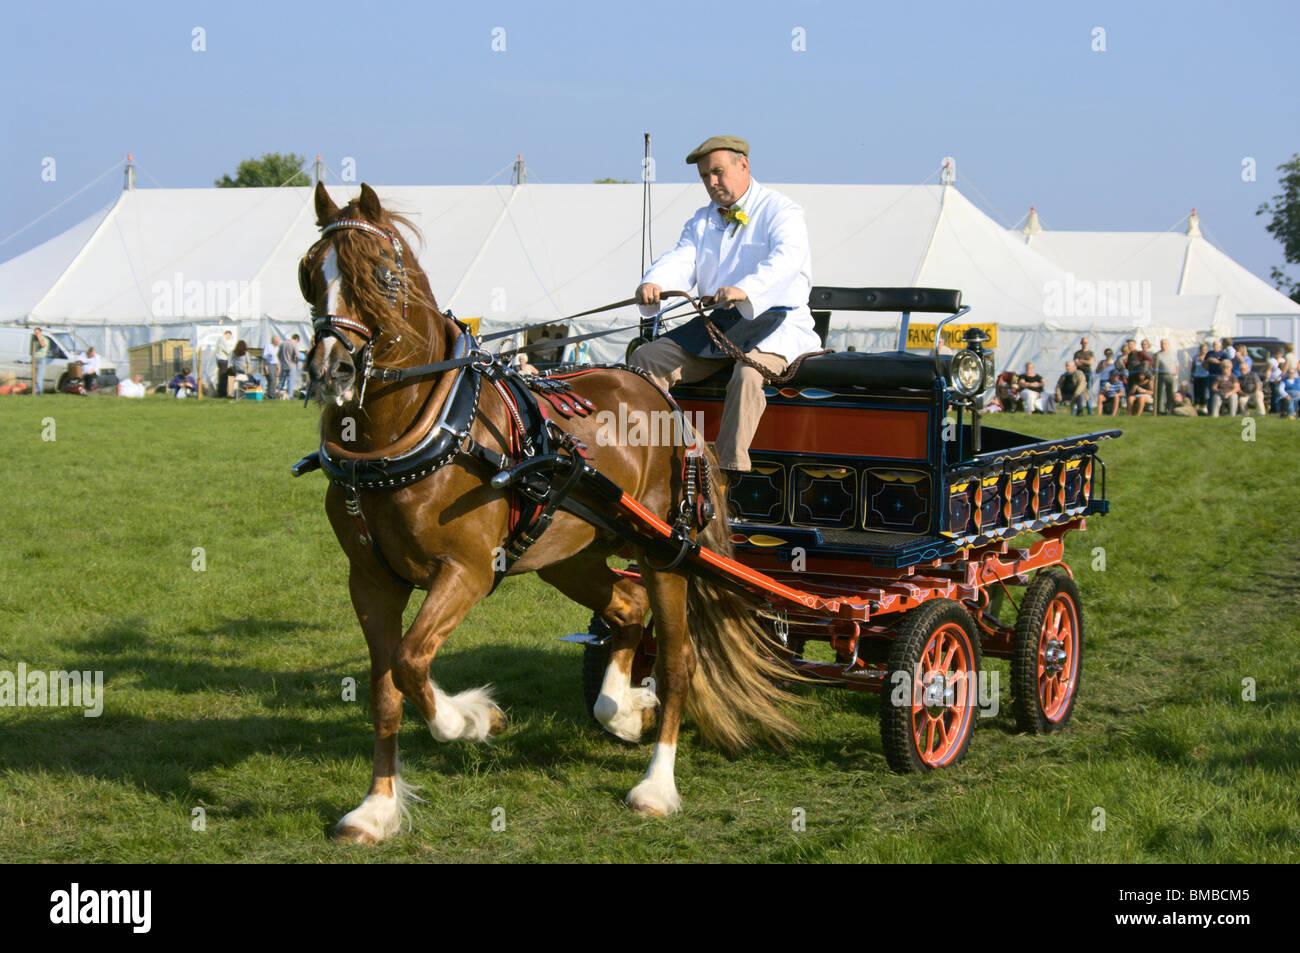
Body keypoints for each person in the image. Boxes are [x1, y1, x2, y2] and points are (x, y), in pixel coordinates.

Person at [627, 135, 820, 476]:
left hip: (777, 325)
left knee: (747, 375)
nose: (711, 182)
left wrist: (745, 290)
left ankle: (730, 472)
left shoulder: (782, 210)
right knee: (645, 359)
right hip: (719, 328)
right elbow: (682, 258)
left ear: (743, 165)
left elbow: (786, 260)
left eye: (717, 172)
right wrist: (655, 281)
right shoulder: (702, 220)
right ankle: (660, 459)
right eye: (704, 177)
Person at [1153, 338, 1178, 415]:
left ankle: (1170, 410)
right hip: (1161, 376)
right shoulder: (1157, 355)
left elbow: (1177, 365)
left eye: (1165, 343)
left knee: (1171, 393)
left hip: (1172, 376)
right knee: (1160, 394)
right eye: (1162, 343)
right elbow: (1154, 366)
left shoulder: (1173, 354)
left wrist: (1176, 375)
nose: (1163, 345)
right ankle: (1160, 410)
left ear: (1168, 345)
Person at [1072, 337, 1094, 414]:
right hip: (1079, 374)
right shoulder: (1077, 353)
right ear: (1081, 343)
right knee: (1079, 390)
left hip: (1088, 374)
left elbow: (1090, 362)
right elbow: (1076, 363)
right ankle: (1079, 409)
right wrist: (1085, 362)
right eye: (1083, 342)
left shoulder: (1090, 353)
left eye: (1086, 342)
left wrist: (1081, 360)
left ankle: (1090, 410)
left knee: (1089, 391)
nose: (1084, 344)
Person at [1093, 347, 1115, 411]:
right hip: (1103, 380)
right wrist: (1103, 367)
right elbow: (1097, 371)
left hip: (1111, 381)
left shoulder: (1114, 362)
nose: (1109, 355)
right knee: (1101, 396)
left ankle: (1111, 411)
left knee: (1112, 396)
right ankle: (1100, 413)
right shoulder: (1102, 362)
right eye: (1107, 353)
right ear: (1105, 354)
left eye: (1110, 353)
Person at [1190, 343, 1211, 413]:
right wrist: (1191, 376)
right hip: (1196, 376)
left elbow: (1208, 369)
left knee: (1204, 392)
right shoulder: (1195, 357)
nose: (1204, 351)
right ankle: (1196, 407)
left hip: (1205, 377)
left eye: (1205, 349)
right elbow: (1193, 367)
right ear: (1200, 349)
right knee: (1196, 392)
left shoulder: (1208, 358)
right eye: (1203, 349)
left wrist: (1203, 362)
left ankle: (1205, 407)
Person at [277, 334, 298, 399]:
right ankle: (290, 396)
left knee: (281, 381)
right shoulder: (294, 344)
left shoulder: (282, 344)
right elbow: (297, 356)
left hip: (283, 365)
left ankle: (278, 393)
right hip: (292, 366)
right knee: (290, 382)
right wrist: (296, 362)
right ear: (297, 339)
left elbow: (278, 354)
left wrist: (281, 361)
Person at [30, 328, 50, 394]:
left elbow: (43, 345)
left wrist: (39, 337)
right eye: (35, 332)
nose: (36, 334)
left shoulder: (44, 339)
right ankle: (34, 391)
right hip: (35, 358)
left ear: (40, 333)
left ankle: (39, 392)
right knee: (34, 377)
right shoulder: (35, 339)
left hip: (41, 358)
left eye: (37, 332)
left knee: (39, 377)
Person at [215, 330, 234, 398]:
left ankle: (221, 392)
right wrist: (232, 353)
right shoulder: (223, 340)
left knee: (221, 376)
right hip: (223, 360)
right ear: (227, 334)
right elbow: (227, 350)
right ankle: (222, 393)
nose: (229, 338)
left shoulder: (219, 340)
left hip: (219, 360)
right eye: (229, 336)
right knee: (223, 377)